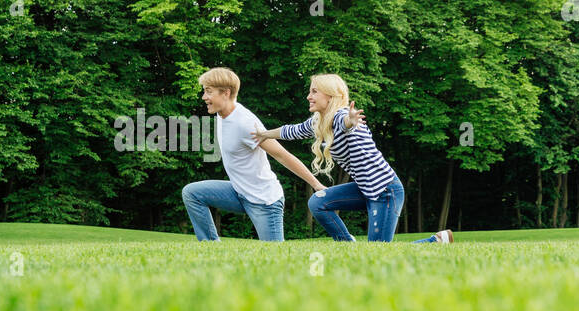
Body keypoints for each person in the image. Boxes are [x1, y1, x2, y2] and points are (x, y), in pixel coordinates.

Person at [252, 73, 452, 244]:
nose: (308, 96)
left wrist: (351, 121)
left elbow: (345, 123)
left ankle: (435, 241)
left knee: (379, 252)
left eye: (314, 92)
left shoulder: (340, 116)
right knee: (318, 202)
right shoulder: (319, 121)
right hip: (364, 188)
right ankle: (348, 244)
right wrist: (264, 134)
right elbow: (293, 131)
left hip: (385, 190)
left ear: (330, 96)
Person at [181, 67, 325, 241]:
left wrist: (316, 185)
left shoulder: (245, 123)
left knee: (274, 260)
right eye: (205, 92)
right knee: (192, 193)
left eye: (209, 92)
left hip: (264, 201)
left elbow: (281, 155)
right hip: (238, 192)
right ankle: (210, 247)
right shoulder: (221, 114)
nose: (204, 97)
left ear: (226, 93)